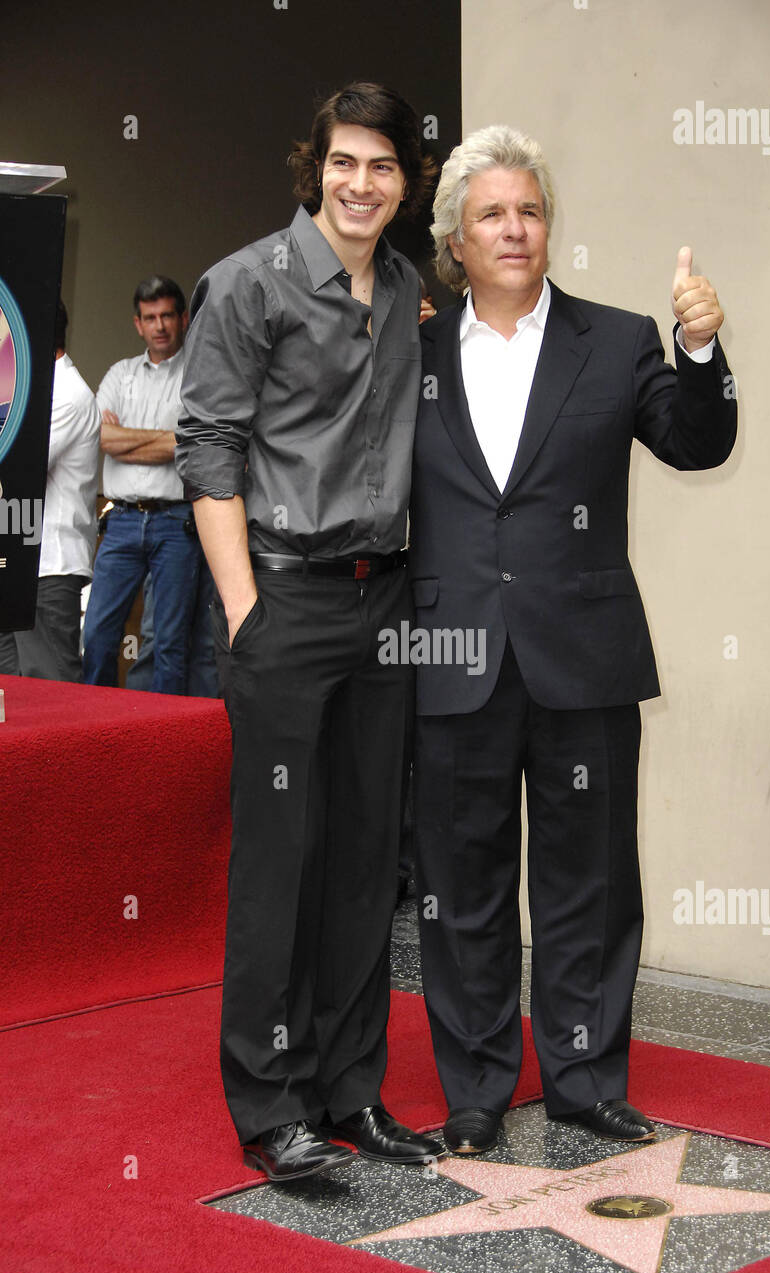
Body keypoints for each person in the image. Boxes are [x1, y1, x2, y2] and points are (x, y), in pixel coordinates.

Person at [408, 126, 737, 1156]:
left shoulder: (618, 336)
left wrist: (696, 349)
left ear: (550, 228)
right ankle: (473, 1088)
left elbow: (698, 442)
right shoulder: (404, 352)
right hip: (448, 654)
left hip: (583, 656)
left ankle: (585, 1078)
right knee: (459, 885)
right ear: (454, 240)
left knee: (588, 879)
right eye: (492, 214)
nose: (515, 228)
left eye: (531, 210)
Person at [175, 82, 444, 1181]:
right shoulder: (245, 284)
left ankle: (350, 1092)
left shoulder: (407, 292)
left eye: (382, 166)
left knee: (363, 865)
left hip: (383, 603)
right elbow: (208, 448)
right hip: (281, 600)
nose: (361, 182)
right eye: (344, 162)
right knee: (281, 863)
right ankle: (271, 1101)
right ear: (315, 168)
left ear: (402, 183)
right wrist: (243, 607)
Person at [81, 277, 203, 694]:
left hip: (177, 523)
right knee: (97, 633)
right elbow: (100, 439)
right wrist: (165, 438)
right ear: (138, 324)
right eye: (150, 318)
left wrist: (127, 440)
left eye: (167, 315)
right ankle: (91, 725)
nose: (160, 326)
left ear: (183, 318)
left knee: (168, 643)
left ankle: (160, 742)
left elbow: (191, 443)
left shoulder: (199, 375)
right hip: (121, 522)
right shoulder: (120, 374)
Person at [0, 300, 100, 680]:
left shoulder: (67, 395)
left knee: (50, 689)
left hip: (49, 566)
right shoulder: (29, 389)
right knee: (12, 696)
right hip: (17, 561)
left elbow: (16, 467)